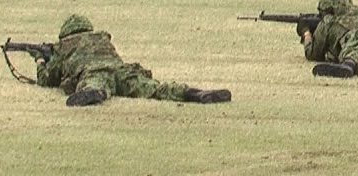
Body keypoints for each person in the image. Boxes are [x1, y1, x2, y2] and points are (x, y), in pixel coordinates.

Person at [32, 15, 230, 107]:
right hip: (121, 70)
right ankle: (194, 93)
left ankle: (96, 93)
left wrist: (41, 60)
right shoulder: (101, 37)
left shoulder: (64, 46)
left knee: (94, 86)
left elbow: (47, 79)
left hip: (93, 72)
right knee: (155, 88)